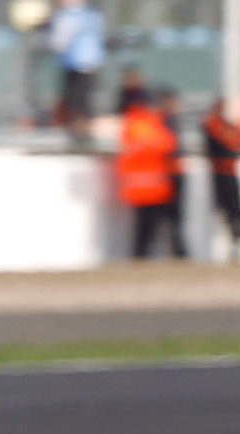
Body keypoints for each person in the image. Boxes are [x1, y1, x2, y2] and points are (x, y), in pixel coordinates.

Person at [116, 90, 184, 260]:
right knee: (145, 227)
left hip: (155, 185)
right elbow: (164, 143)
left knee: (155, 226)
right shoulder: (139, 123)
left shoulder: (151, 122)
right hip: (145, 186)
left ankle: (149, 255)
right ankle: (140, 256)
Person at [202, 97, 240, 265]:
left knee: (238, 210)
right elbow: (232, 141)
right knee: (227, 210)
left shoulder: (224, 125)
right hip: (221, 173)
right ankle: (232, 244)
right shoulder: (213, 124)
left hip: (231, 172)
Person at [47, 0, 105, 146]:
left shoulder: (68, 17)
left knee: (76, 101)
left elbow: (59, 42)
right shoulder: (92, 15)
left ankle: (78, 133)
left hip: (75, 63)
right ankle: (85, 131)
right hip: (91, 63)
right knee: (85, 100)